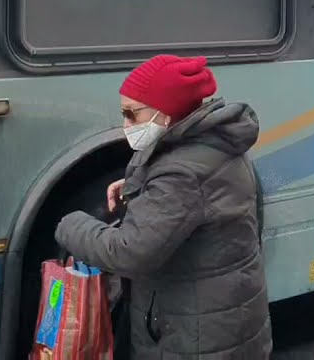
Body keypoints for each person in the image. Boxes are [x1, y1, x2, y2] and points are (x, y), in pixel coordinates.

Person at [55, 55, 272, 358]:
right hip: (225, 319)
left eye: (131, 114)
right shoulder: (216, 144)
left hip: (195, 338)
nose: (126, 124)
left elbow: (128, 252)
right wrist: (141, 189)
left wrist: (69, 223)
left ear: (166, 114)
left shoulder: (182, 174)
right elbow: (196, 199)